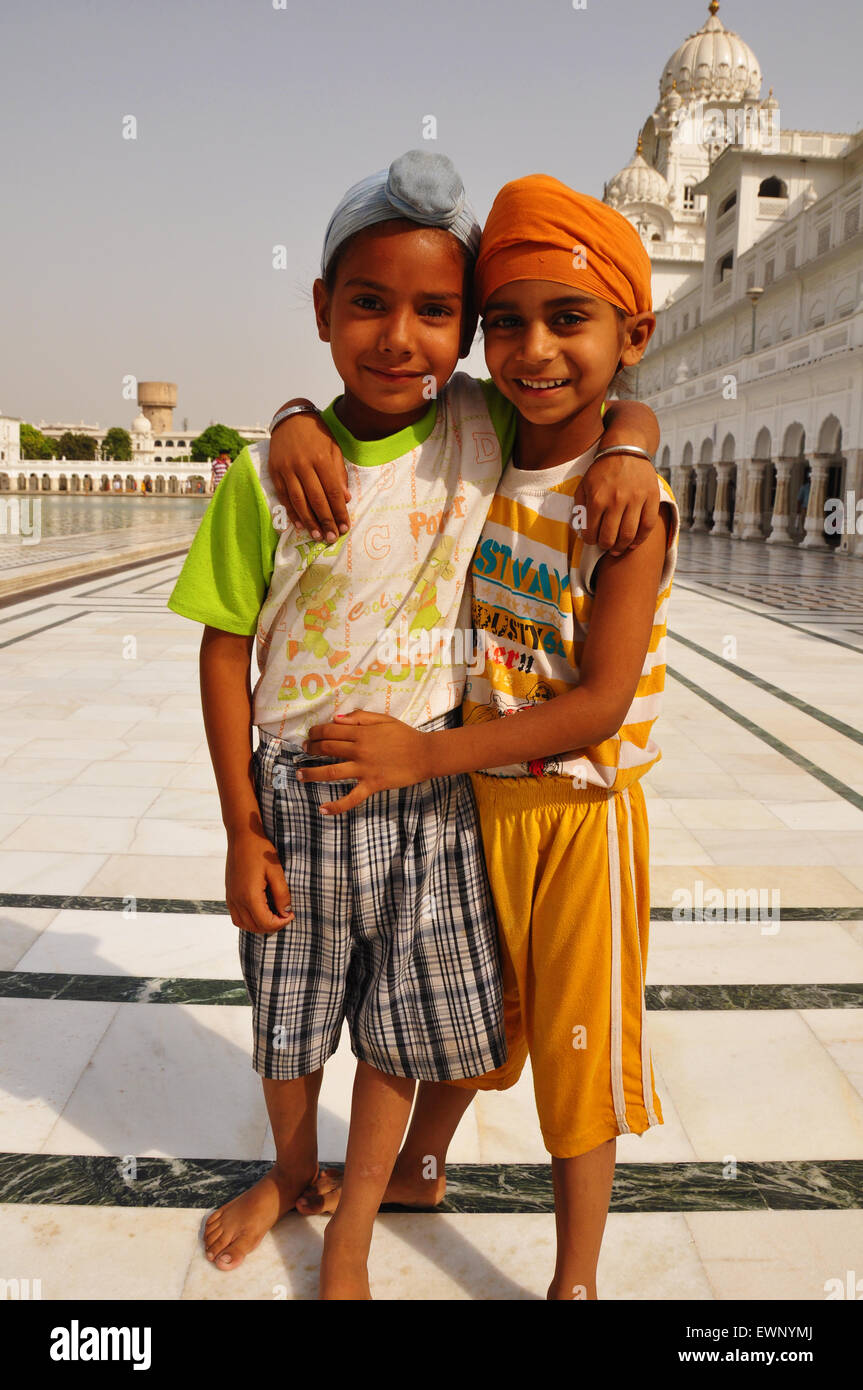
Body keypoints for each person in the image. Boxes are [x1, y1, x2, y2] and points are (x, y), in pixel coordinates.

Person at [168, 151, 660, 1300]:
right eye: (368, 304)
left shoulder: (479, 424)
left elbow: (603, 394)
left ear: (461, 333)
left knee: (417, 1025)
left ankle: (366, 1234)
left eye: (437, 312)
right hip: (314, 790)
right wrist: (290, 416)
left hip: (452, 796)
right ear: (322, 309)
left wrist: (633, 439)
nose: (400, 338)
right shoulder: (279, 475)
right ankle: (297, 1173)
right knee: (292, 1018)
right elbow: (223, 649)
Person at [296, 176, 679, 1301]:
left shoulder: (624, 502)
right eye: (504, 321)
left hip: (576, 818)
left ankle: (573, 1283)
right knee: (462, 1009)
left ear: (632, 334)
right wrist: (289, 418)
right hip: (476, 803)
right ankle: (418, 1171)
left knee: (573, 1052)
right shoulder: (481, 438)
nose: (533, 349)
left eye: (568, 319)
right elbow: (370, 404)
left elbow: (599, 706)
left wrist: (634, 440)